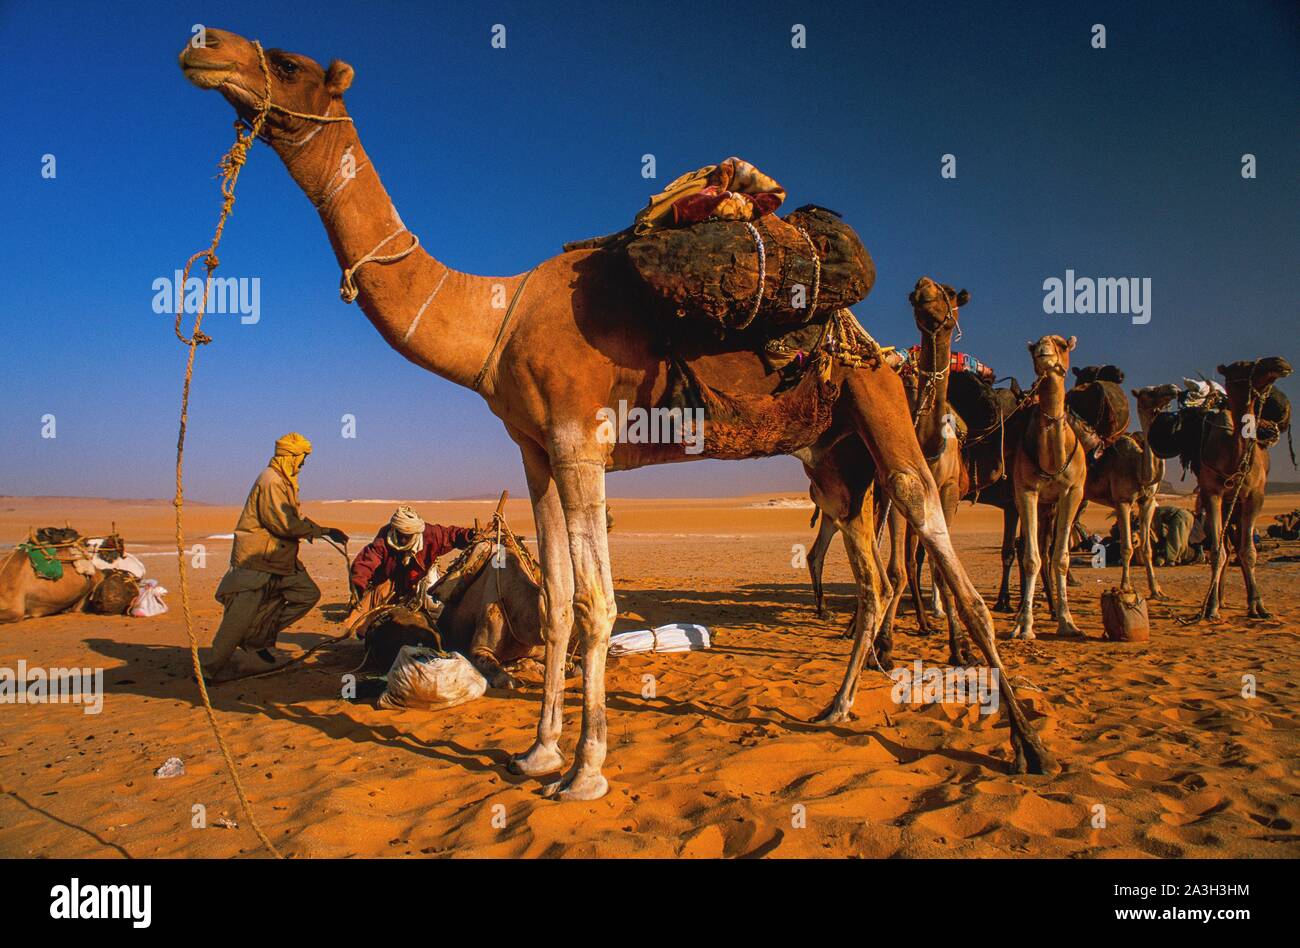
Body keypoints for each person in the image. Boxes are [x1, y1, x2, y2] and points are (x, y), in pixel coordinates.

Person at [205, 433, 348, 681]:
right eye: (302, 458)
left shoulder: (285, 481)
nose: (303, 464)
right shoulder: (271, 481)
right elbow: (284, 524)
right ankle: (209, 670)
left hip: (280, 561)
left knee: (307, 594)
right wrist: (322, 531)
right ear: (291, 456)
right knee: (236, 623)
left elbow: (293, 518)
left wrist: (324, 530)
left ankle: (257, 639)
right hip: (257, 562)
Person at [348, 506, 476, 621]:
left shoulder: (431, 534)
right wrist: (358, 589)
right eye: (400, 535)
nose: (403, 539)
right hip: (392, 581)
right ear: (394, 530)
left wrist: (470, 535)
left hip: (421, 579)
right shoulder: (385, 537)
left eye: (407, 536)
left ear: (416, 533)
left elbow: (452, 535)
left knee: (436, 608)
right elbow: (365, 563)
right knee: (363, 618)